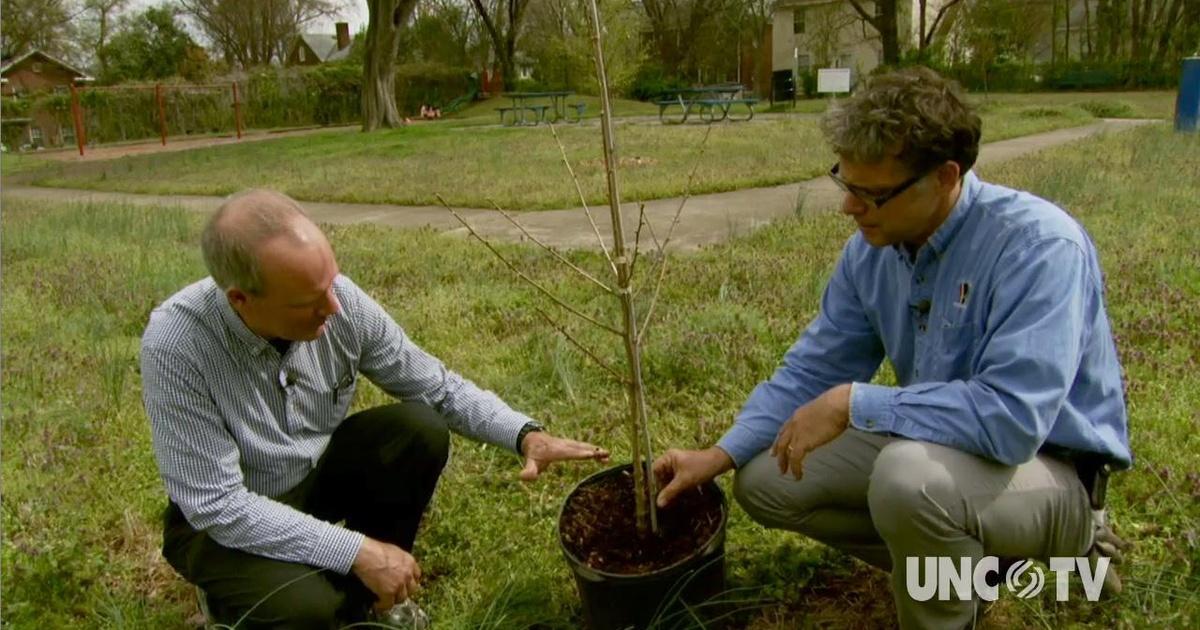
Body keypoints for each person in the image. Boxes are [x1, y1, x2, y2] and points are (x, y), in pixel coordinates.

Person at [653, 67, 1132, 629]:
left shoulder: (1039, 248)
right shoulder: (872, 252)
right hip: (948, 452)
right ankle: (965, 575)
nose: (849, 209)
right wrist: (720, 453)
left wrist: (855, 404)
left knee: (909, 481)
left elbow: (1011, 423)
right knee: (766, 480)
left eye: (871, 194)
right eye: (845, 183)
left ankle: (1061, 556)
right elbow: (814, 367)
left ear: (946, 176)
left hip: (1051, 473)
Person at [141, 189, 609, 628]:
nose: (334, 307)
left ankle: (377, 595)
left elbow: (436, 388)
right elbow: (217, 505)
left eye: (331, 283)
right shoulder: (177, 344)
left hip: (311, 476)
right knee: (310, 611)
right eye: (309, 302)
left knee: (417, 428)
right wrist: (355, 550)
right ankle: (232, 597)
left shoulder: (337, 301)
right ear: (241, 299)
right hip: (223, 518)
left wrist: (525, 434)